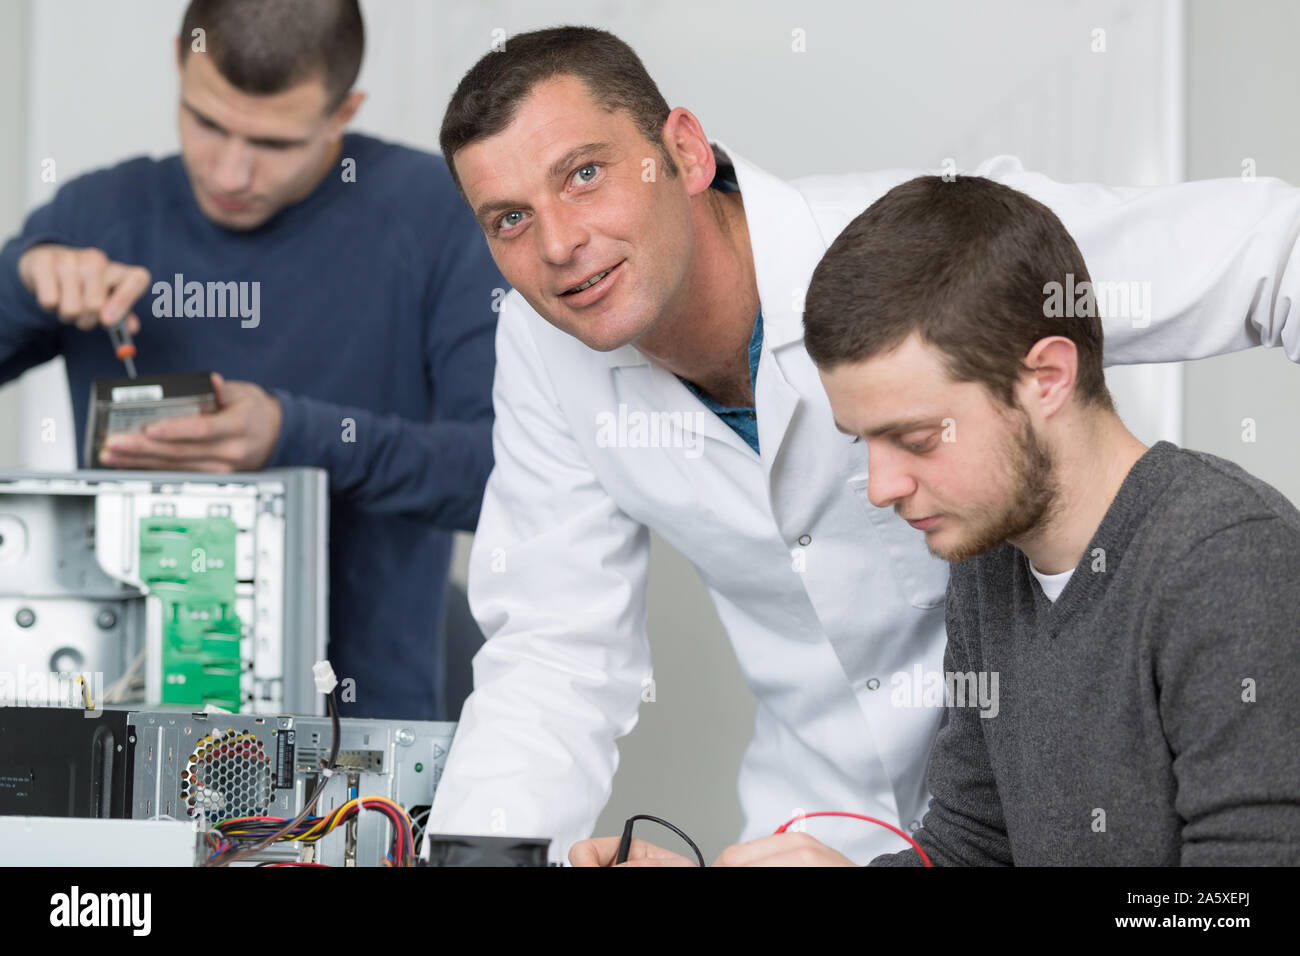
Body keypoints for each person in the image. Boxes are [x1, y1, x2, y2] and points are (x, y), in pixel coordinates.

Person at [426, 25, 1300, 865]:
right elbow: (554, 647)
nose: (557, 244)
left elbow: (1272, 251)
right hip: (838, 828)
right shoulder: (547, 350)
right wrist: (483, 855)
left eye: (584, 174)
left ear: (686, 152)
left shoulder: (927, 259)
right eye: (507, 219)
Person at [590, 175, 1300, 866]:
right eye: (861, 441)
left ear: (1047, 377)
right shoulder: (989, 556)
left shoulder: (1226, 561)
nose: (880, 487)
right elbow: (972, 845)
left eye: (918, 440)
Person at [0, 0, 502, 720]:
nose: (231, 172)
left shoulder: (437, 217)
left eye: (272, 142)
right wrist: (22, 284)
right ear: (180, 60)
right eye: (207, 122)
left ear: (342, 111)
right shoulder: (97, 216)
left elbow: (501, 478)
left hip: (360, 749)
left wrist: (290, 437)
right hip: (110, 730)